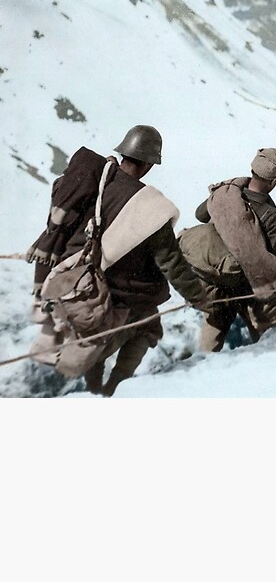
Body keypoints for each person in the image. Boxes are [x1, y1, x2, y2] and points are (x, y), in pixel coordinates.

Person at [27, 125, 209, 396]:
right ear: (149, 164)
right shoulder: (152, 208)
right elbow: (172, 263)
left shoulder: (93, 185)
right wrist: (199, 297)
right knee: (148, 327)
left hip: (71, 282)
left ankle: (94, 386)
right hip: (117, 295)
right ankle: (114, 388)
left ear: (123, 152)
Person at [179, 147, 276, 353]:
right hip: (247, 284)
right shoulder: (270, 214)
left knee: (215, 325)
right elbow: (272, 260)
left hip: (216, 276)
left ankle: (201, 366)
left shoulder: (227, 192)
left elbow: (201, 215)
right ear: (274, 181)